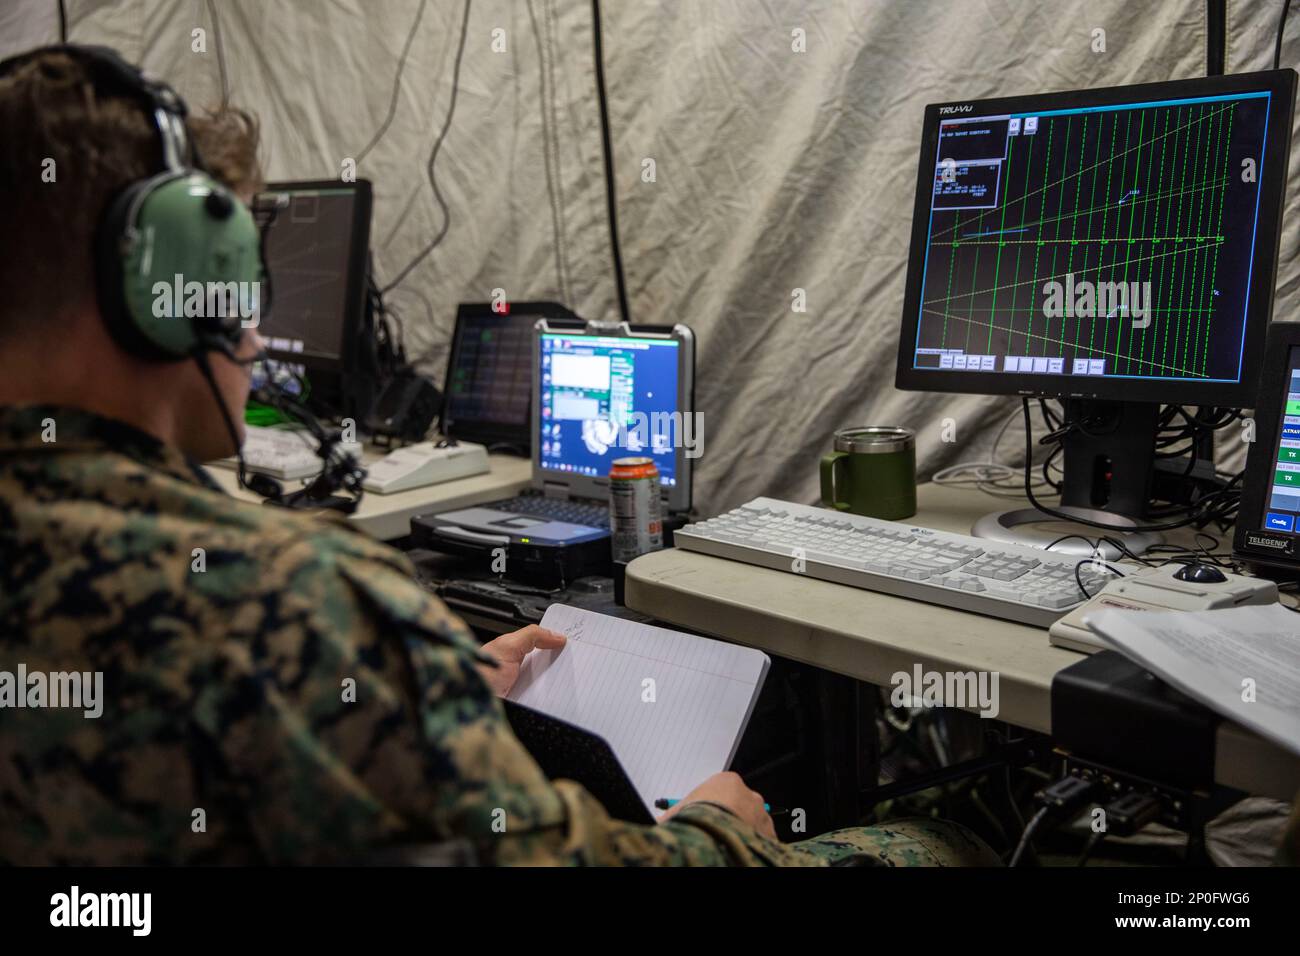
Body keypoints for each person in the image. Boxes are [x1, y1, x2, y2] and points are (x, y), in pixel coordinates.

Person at [0, 45, 997, 867]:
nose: (253, 331)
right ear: (172, 282)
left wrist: (417, 695)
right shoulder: (301, 600)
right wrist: (718, 831)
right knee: (939, 836)